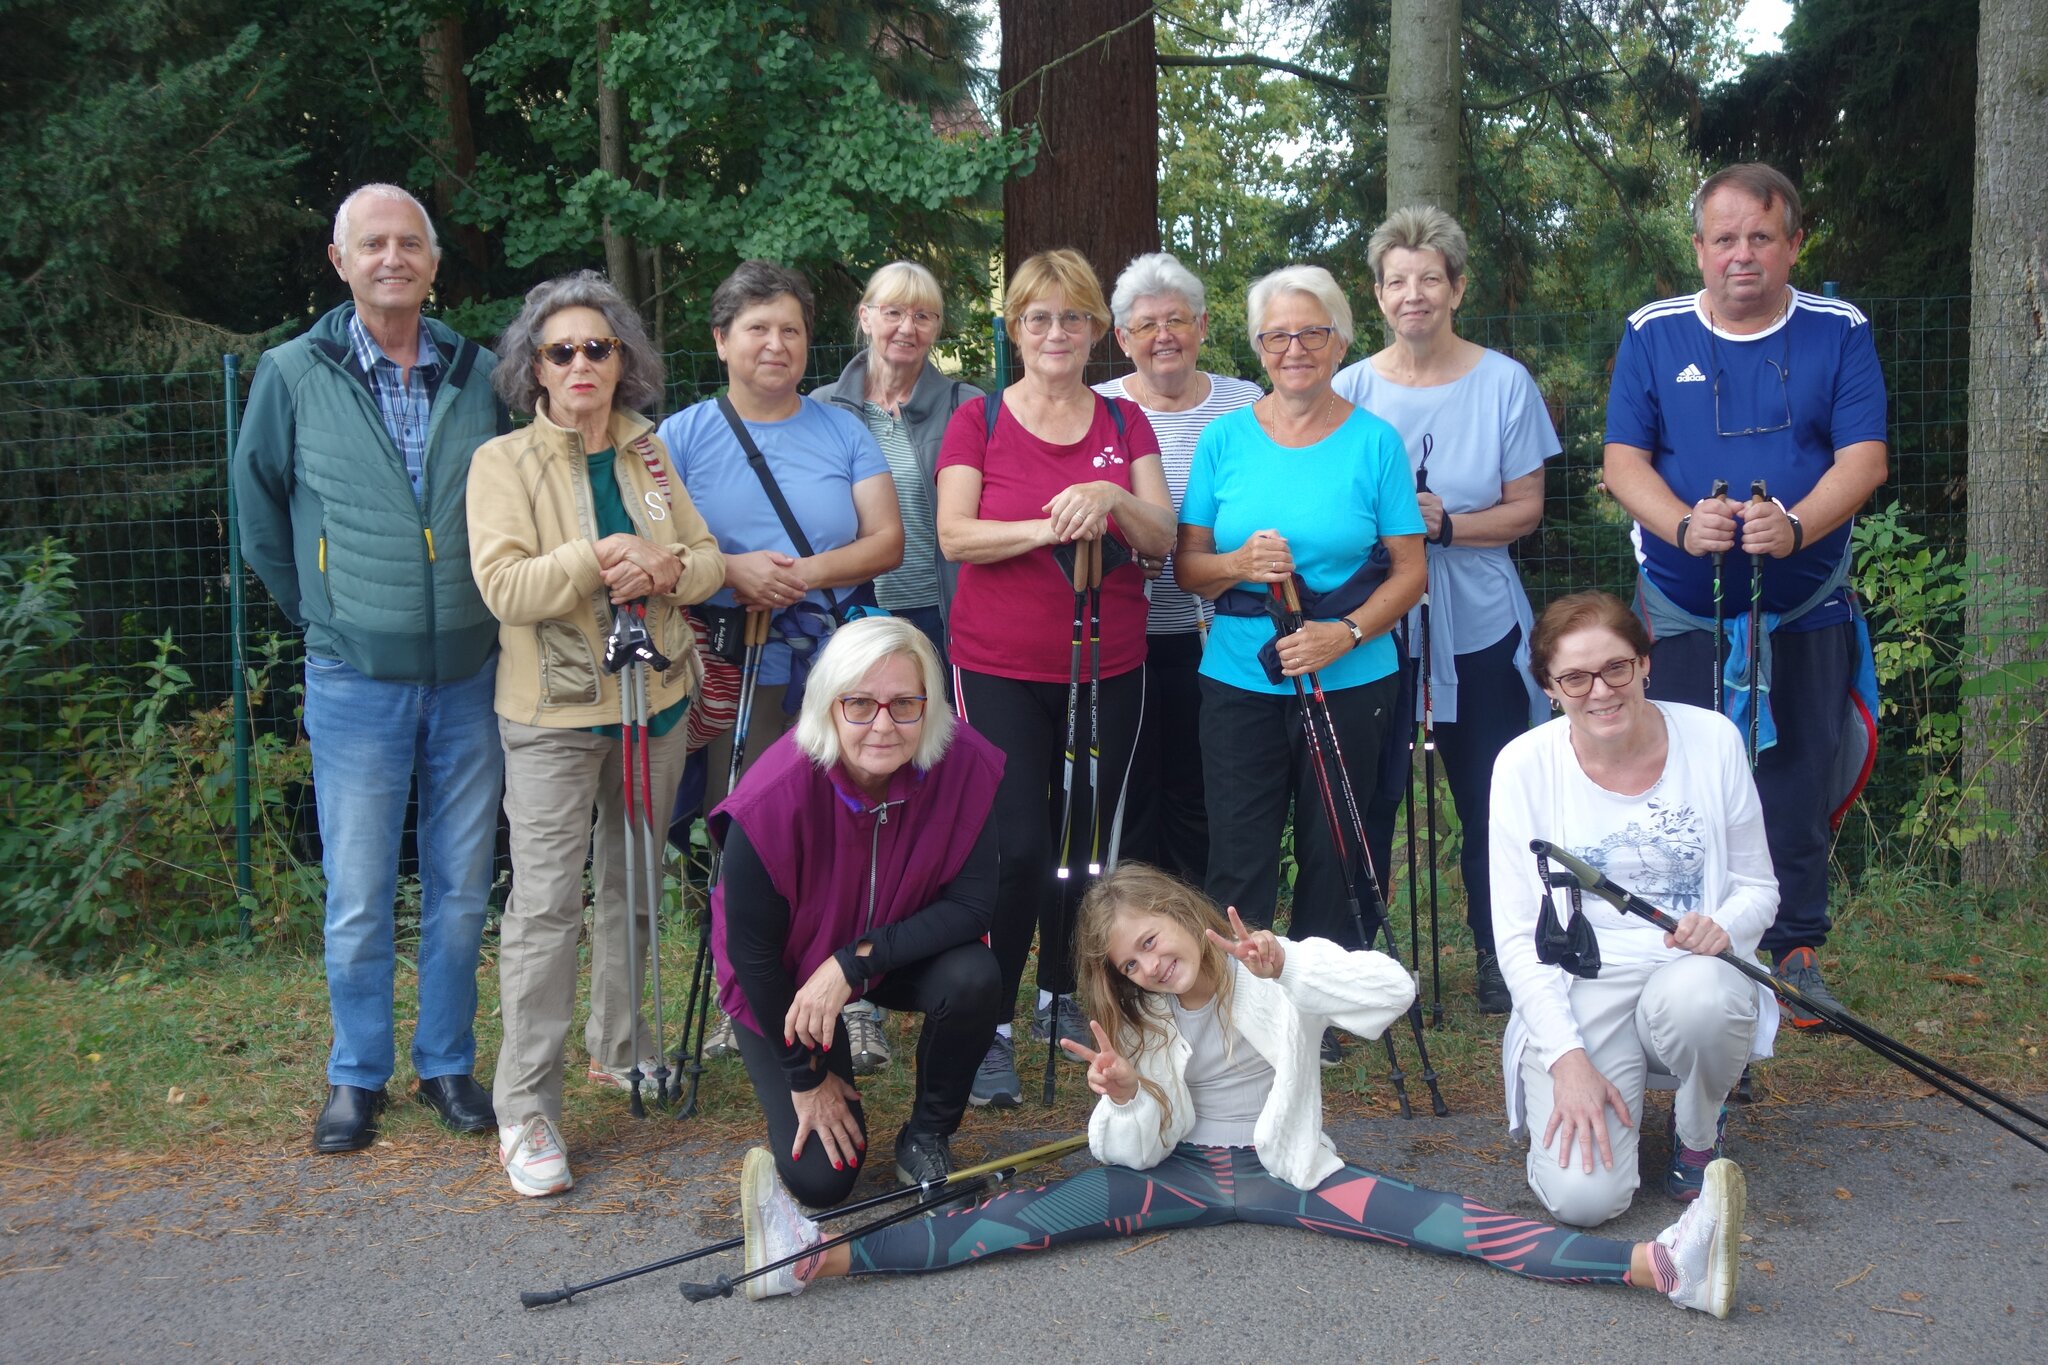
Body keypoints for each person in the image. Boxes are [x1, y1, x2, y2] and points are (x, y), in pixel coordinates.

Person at [732, 862, 1746, 1323]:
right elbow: (1128, 1149)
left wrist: (1289, 966)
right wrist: (1121, 1094)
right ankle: (810, 1259)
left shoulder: (1270, 964)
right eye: (1129, 962)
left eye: (1152, 940)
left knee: (1448, 1222)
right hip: (1172, 1175)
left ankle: (1658, 1266)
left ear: (1182, 916)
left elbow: (1390, 991)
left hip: (1284, 1171)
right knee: (1004, 1222)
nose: (1148, 965)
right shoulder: (1137, 1019)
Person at [233, 184, 507, 1154]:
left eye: (410, 244)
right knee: (357, 895)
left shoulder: (481, 372)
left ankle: (446, 1064)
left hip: (471, 672)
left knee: (461, 890)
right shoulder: (291, 372)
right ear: (339, 261)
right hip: (354, 679)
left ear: (433, 262)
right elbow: (259, 509)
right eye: (373, 244)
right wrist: (325, 613)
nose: (393, 258)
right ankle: (356, 1077)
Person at [466, 271, 725, 1197]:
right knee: (545, 908)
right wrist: (598, 557)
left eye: (599, 347)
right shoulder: (502, 463)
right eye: (562, 350)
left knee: (636, 881)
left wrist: (667, 567)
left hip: (654, 703)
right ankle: (527, 1109)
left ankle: (623, 1046)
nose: (582, 363)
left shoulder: (648, 452)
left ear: (624, 360)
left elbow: (706, 560)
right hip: (555, 716)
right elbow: (505, 588)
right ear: (534, 367)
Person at [935, 248, 1176, 1107]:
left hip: (1108, 662)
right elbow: (956, 535)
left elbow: (1162, 535)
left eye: (1073, 317)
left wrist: (1110, 500)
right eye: (1039, 317)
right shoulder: (979, 420)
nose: (1056, 332)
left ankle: (1066, 994)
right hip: (997, 665)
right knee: (1017, 848)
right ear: (1015, 329)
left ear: (1097, 330)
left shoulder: (1123, 423)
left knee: (1088, 843)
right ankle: (990, 1020)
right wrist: (1051, 525)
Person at [1173, 265, 1426, 1066]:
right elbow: (1188, 568)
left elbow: (1410, 572)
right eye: (1277, 335)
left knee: (1337, 843)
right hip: (1238, 674)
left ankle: (1320, 1005)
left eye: (1312, 332)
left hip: (1350, 672)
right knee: (1238, 846)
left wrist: (1343, 633)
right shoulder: (1224, 440)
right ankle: (1236, 999)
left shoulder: (1374, 442)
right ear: (1257, 345)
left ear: (1341, 341)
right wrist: (1239, 563)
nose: (1295, 348)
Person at [659, 261, 906, 1067]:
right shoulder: (679, 438)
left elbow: (886, 541)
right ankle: (748, 998)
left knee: (850, 822)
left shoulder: (843, 431)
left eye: (791, 329)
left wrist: (796, 575)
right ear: (721, 340)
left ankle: (852, 1001)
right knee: (745, 831)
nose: (776, 343)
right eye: (757, 328)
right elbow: (660, 548)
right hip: (732, 662)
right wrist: (733, 572)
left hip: (835, 659)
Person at [1488, 592, 1780, 1226]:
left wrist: (1722, 927)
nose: (1601, 691)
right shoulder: (1523, 766)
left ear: (1645, 663)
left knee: (1703, 998)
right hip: (1582, 986)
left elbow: (1759, 888)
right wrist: (1566, 1060)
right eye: (1575, 678)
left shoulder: (1713, 739)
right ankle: (1573, 1103)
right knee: (1583, 1201)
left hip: (1692, 974)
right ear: (1550, 688)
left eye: (1616, 667)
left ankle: (1697, 1131)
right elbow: (1515, 938)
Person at [1333, 207, 1559, 1016]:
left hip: (1481, 616)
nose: (1414, 294)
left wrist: (1448, 526)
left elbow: (1526, 508)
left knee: (1492, 791)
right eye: (1397, 281)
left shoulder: (1504, 382)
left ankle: (1504, 953)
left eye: (1430, 278)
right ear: (1378, 294)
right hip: (1374, 617)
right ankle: (1356, 961)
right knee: (1369, 792)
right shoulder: (1350, 389)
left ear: (1457, 288)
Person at [709, 617, 1006, 1202]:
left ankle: (928, 1135)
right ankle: (816, 1065)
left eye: (905, 704)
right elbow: (752, 957)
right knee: (823, 1182)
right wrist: (806, 1077)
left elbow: (973, 907)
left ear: (929, 705)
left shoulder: (963, 763)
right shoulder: (770, 800)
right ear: (828, 705)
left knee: (974, 975)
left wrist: (852, 963)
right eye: (860, 704)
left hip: (888, 952)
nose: (884, 726)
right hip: (788, 981)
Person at [1094, 252, 1263, 885]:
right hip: (1124, 639)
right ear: (1122, 339)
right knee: (1131, 793)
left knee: (1201, 792)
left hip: (1219, 637)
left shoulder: (1246, 405)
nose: (1163, 336)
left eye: (1177, 320)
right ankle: (1133, 923)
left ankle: (1195, 923)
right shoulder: (1098, 407)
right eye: (1146, 325)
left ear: (1203, 325)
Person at [811, 261, 982, 674]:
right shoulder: (821, 408)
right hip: (851, 610)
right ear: (865, 317)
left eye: (923, 316)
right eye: (893, 313)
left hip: (943, 612)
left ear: (936, 328)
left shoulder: (967, 407)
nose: (907, 328)